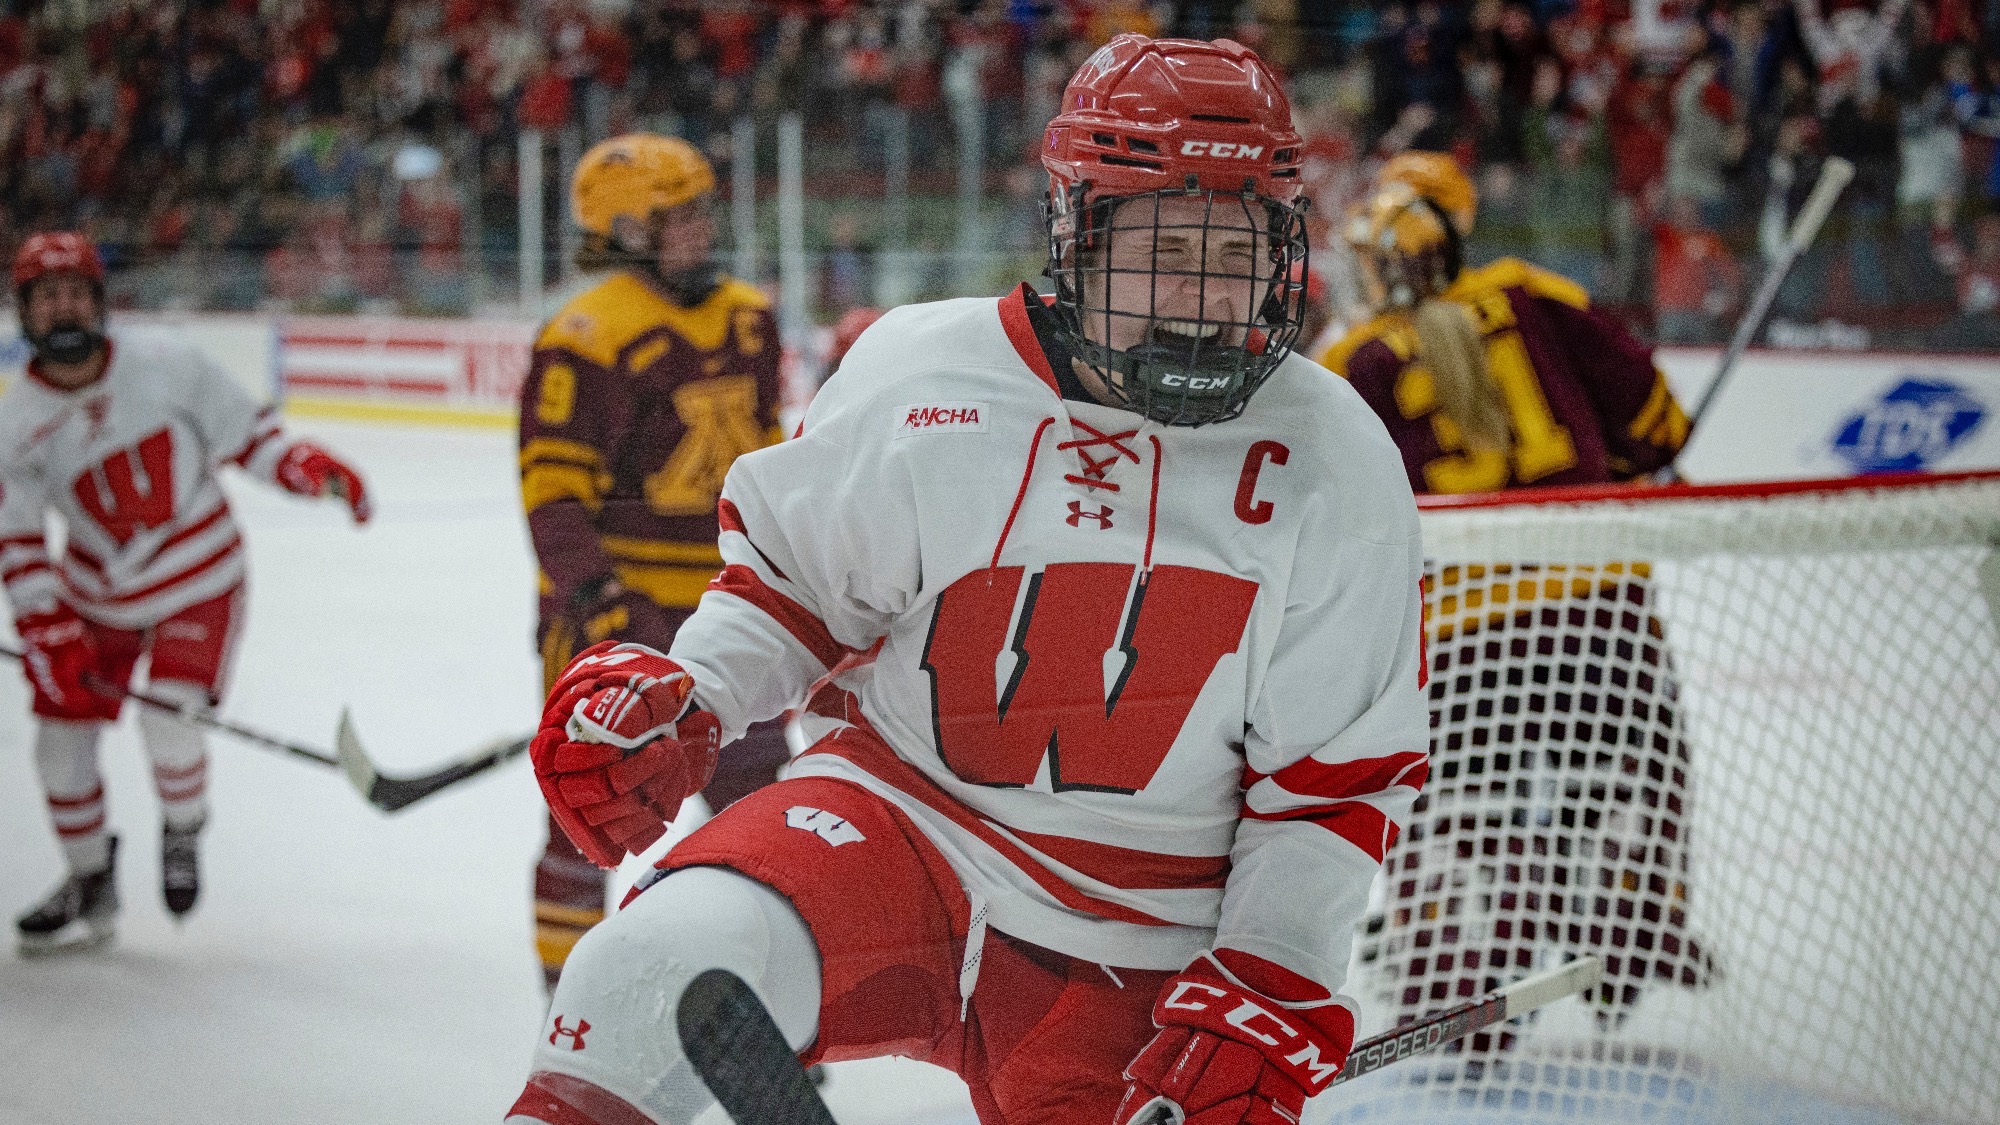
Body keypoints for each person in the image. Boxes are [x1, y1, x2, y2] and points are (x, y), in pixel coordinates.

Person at [506, 35, 1429, 1125]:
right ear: (1078, 233)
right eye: (1165, 249)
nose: (1202, 296)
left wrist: (1266, 976)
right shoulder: (922, 372)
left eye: (1235, 256)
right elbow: (795, 594)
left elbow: (1328, 788)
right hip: (900, 828)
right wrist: (694, 696)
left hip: (1143, 933)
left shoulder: (1335, 454)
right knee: (646, 966)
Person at [1315, 165, 1709, 1052]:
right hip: (1597, 608)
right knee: (1630, 775)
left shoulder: (1351, 361)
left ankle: (1454, 953)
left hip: (1456, 635)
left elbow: (1333, 516)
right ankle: (1634, 908)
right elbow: (1656, 425)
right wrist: (1628, 454)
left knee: (1462, 805)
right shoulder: (1530, 292)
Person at [0, 232, 370, 954]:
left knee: (172, 721)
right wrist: (46, 627)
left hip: (198, 580)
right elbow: (17, 540)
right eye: (47, 297)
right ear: (25, 312)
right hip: (94, 598)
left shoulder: (169, 362)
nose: (63, 308)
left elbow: (252, 439)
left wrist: (304, 467)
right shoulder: (14, 425)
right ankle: (88, 878)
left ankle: (182, 826)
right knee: (58, 747)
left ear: (101, 300)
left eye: (76, 291)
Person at [517, 133, 790, 992]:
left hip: (726, 606)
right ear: (628, 229)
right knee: (591, 808)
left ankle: (770, 986)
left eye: (704, 211)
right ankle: (568, 994)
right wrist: (598, 601)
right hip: (617, 612)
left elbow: (767, 450)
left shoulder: (749, 315)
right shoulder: (585, 335)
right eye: (680, 217)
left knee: (759, 802)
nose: (702, 229)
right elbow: (553, 492)